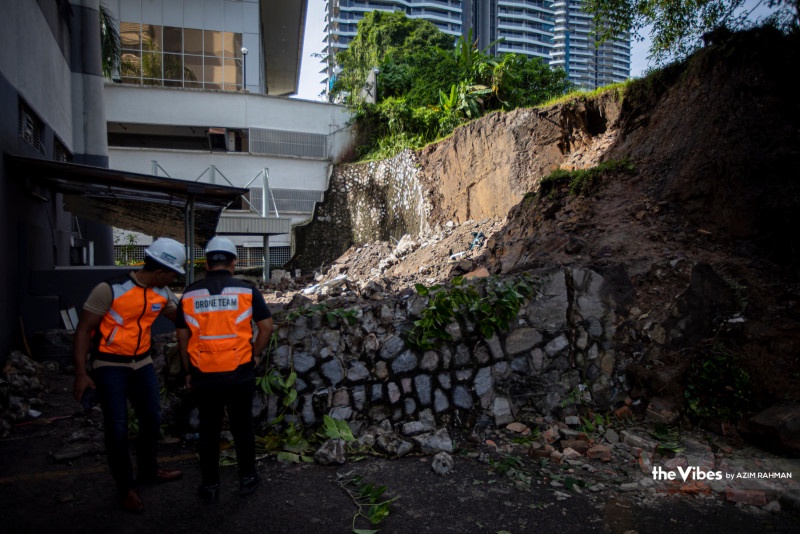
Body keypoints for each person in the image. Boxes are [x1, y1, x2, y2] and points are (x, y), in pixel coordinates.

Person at [72, 237, 186, 513]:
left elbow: (184, 319)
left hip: (142, 364)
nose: (174, 279)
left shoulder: (162, 294)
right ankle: (126, 488)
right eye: (173, 274)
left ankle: (149, 471)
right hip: (110, 366)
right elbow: (83, 331)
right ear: (160, 271)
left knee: (151, 419)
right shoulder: (109, 289)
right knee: (117, 427)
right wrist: (80, 374)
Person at [176, 236, 273, 504]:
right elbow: (266, 327)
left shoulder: (190, 294)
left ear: (206, 263)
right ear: (233, 262)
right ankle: (247, 478)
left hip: (204, 375)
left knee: (209, 430)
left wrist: (188, 370)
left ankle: (210, 485)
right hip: (239, 372)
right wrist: (254, 355)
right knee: (243, 427)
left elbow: (182, 337)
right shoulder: (246, 291)